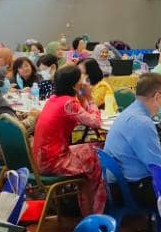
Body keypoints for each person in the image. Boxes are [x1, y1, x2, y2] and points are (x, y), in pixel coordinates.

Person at [32, 65, 106, 215]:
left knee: (94, 148)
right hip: (54, 161)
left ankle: (88, 208)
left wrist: (83, 96)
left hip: (42, 158)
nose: (84, 81)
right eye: (81, 79)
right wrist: (90, 98)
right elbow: (95, 122)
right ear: (74, 84)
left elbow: (83, 114)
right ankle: (95, 212)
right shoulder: (68, 104)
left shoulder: (55, 99)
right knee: (99, 158)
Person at [103, 72, 161, 210]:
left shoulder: (130, 111)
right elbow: (156, 165)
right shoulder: (142, 122)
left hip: (117, 185)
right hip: (131, 190)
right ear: (158, 97)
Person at [0, 65, 37, 144]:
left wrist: (22, 115)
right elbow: (17, 130)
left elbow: (7, 123)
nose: (7, 81)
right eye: (4, 78)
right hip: (7, 149)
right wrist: (33, 117)